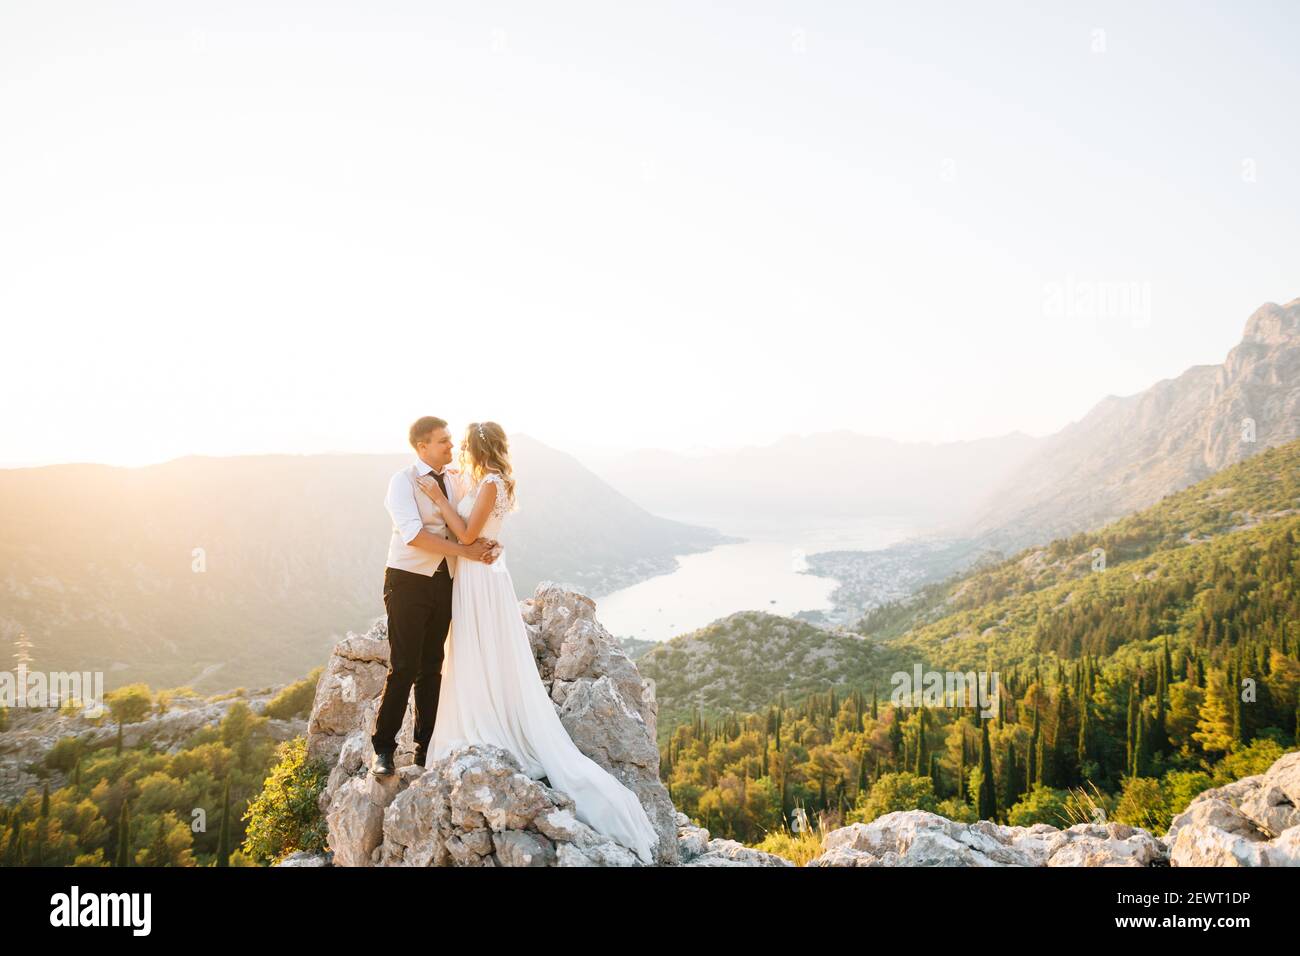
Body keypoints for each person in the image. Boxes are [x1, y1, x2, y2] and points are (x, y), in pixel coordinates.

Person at [417, 420, 660, 865]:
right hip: (477, 573)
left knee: (479, 649)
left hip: (479, 576)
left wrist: (436, 500)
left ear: (476, 448)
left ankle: (490, 720)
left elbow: (468, 537)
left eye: (464, 446)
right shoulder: (487, 481)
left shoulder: (490, 482)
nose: (460, 452)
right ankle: (487, 708)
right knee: (476, 651)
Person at [369, 416, 501, 778]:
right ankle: (383, 748)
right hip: (408, 580)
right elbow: (413, 535)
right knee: (404, 667)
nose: (451, 446)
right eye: (443, 441)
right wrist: (466, 551)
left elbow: (469, 525)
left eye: (450, 440)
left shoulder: (459, 479)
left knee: (432, 668)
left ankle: (425, 749)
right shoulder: (402, 482)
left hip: (446, 582)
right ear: (422, 446)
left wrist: (488, 542)